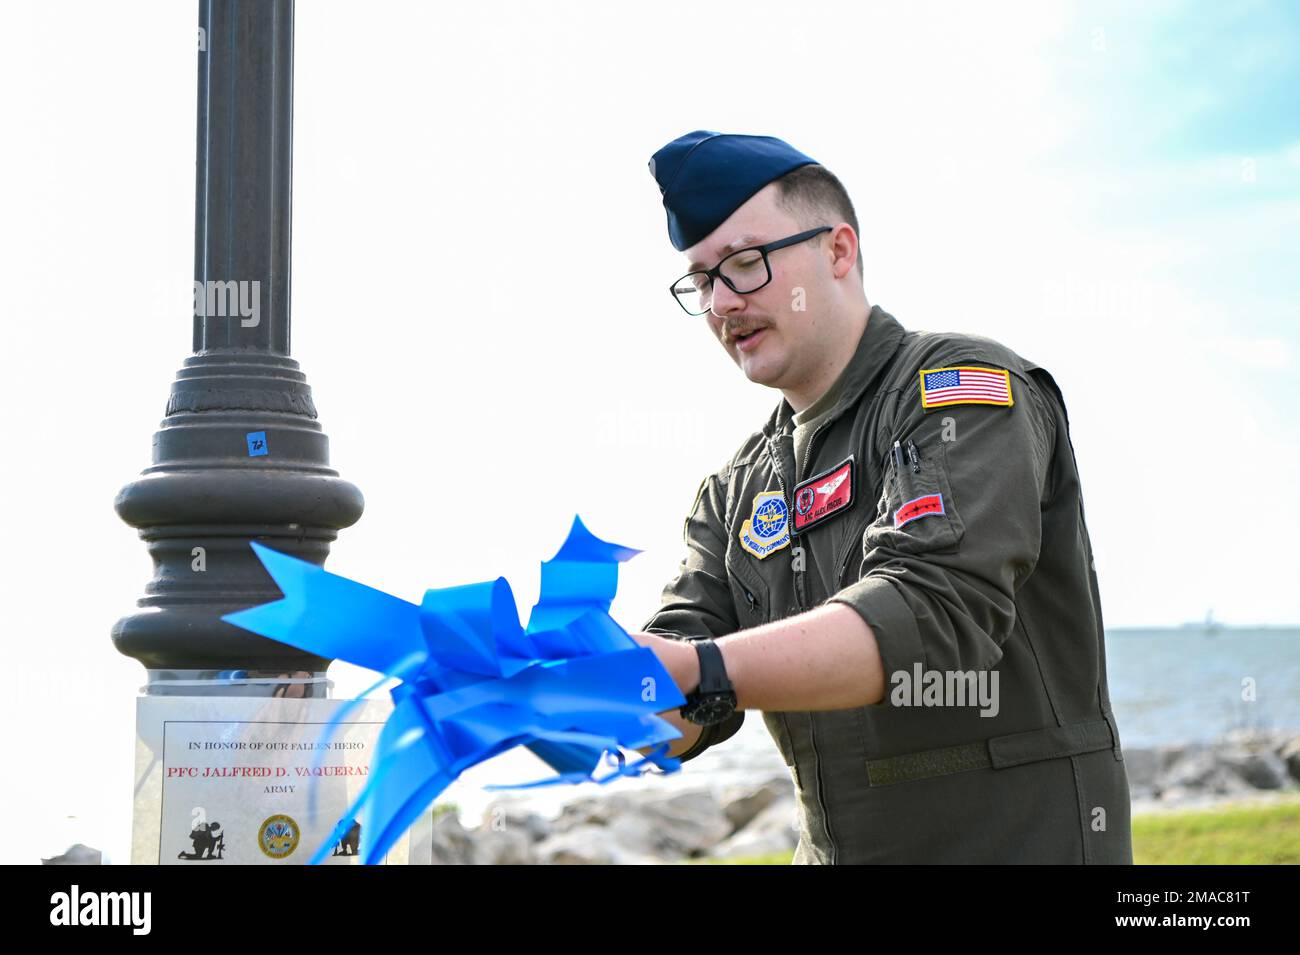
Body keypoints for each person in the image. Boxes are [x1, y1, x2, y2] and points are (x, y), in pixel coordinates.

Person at [628, 130, 1133, 864]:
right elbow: (677, 688)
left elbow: (931, 612)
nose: (723, 303)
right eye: (702, 281)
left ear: (838, 251)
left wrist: (698, 668)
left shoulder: (960, 389)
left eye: (745, 263)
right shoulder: (733, 490)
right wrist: (576, 697)